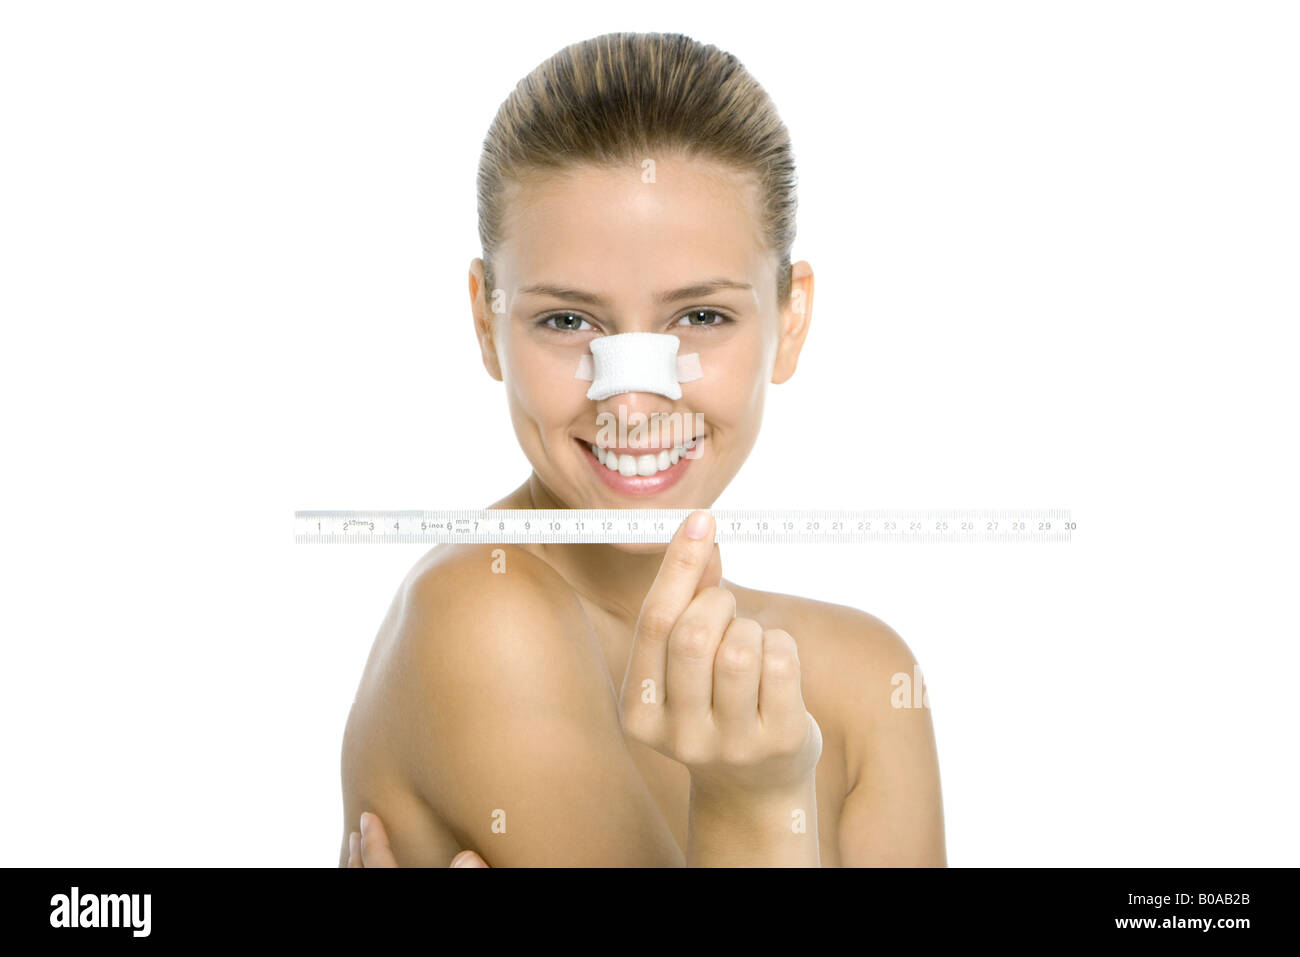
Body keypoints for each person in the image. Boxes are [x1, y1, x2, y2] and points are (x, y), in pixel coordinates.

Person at [338, 31, 945, 867]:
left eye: (701, 316)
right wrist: (755, 806)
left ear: (791, 319)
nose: (629, 403)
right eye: (567, 321)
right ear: (486, 321)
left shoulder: (868, 678)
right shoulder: (481, 619)